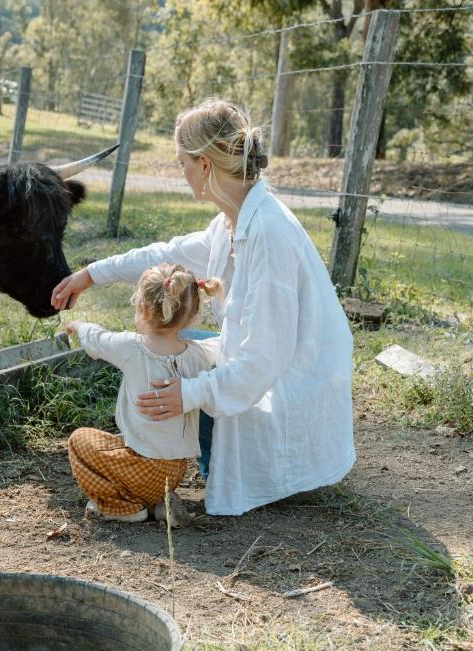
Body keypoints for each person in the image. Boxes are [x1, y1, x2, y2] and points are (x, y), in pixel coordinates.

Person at [51, 98, 356, 516]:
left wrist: (190, 392)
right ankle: (161, 456)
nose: (181, 173)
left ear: (206, 166)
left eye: (182, 163)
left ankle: (170, 464)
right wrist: (92, 274)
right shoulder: (232, 222)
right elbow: (168, 252)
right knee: (170, 340)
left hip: (291, 389)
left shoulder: (269, 233)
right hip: (268, 367)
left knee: (170, 350)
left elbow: (266, 357)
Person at [65, 264, 222, 525]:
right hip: (175, 471)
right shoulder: (199, 354)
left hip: (144, 468)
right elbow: (223, 344)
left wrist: (79, 325)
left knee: (80, 440)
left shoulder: (131, 347)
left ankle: (123, 508)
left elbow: (97, 338)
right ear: (192, 313)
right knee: (118, 444)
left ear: (145, 309)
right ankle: (159, 505)